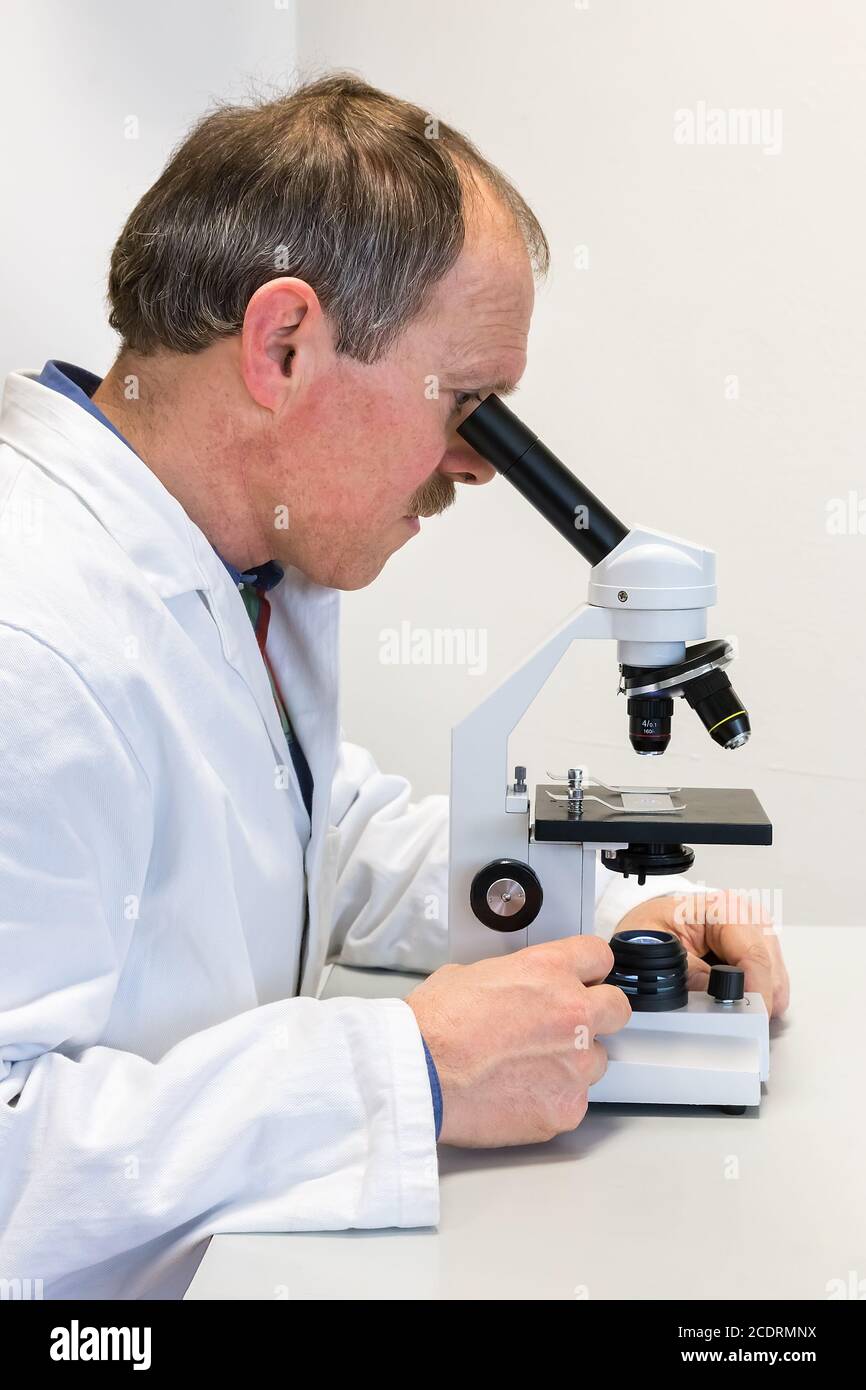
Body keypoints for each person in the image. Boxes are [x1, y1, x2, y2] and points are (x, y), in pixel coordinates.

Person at [0, 73, 789, 1300]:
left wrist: (591, 919)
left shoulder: (234, 568)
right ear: (283, 344)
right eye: (465, 401)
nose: (478, 465)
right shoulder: (29, 634)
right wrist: (408, 1072)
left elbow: (304, 835)